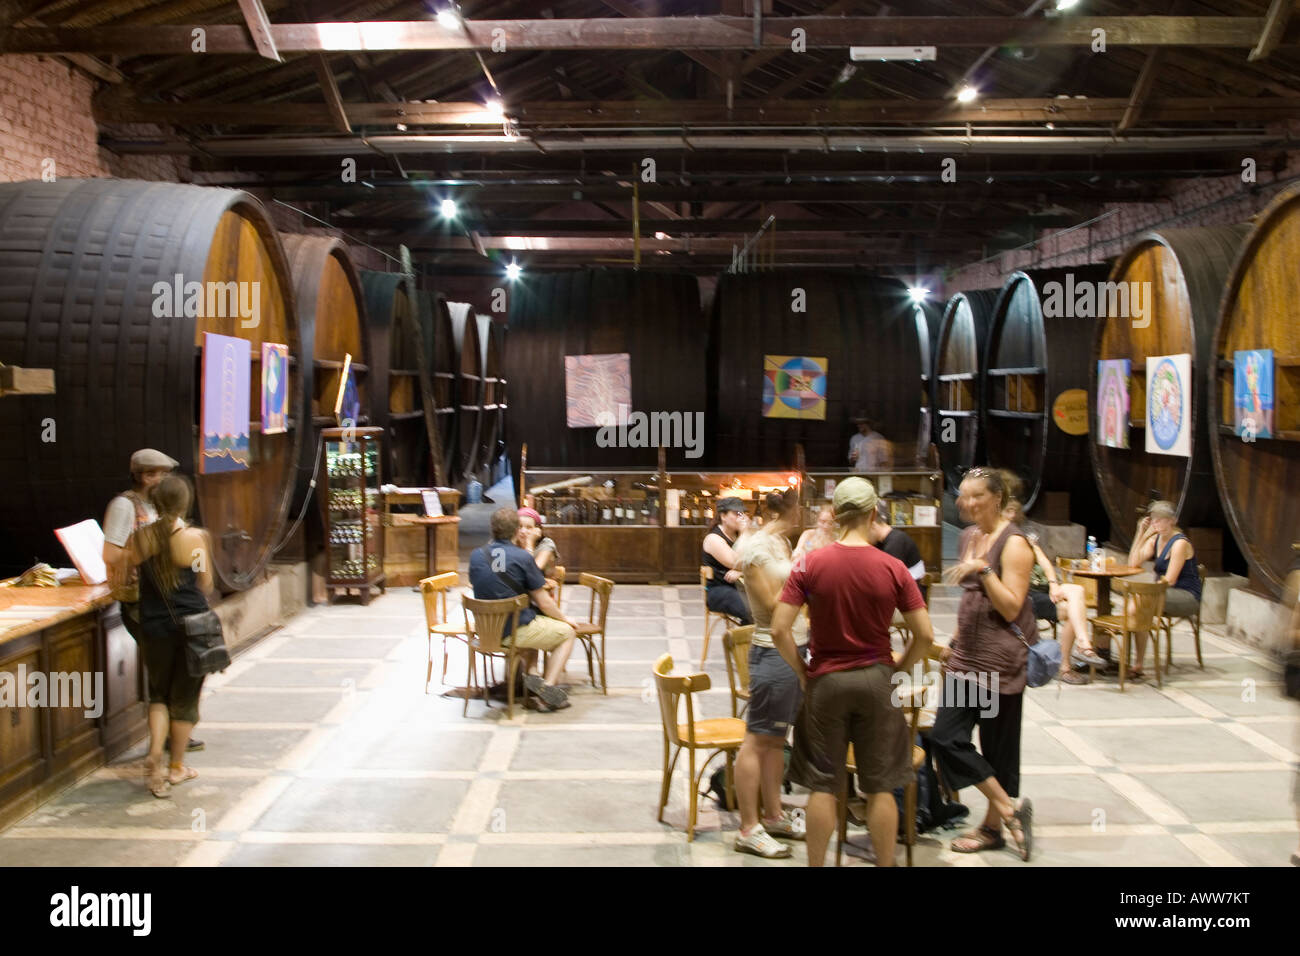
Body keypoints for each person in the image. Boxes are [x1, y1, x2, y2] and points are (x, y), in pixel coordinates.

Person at [771, 477, 934, 867]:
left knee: (823, 786)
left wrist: (801, 669)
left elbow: (779, 628)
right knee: (879, 785)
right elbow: (925, 634)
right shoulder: (893, 566)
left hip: (826, 681)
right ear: (873, 513)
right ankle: (885, 863)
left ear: (836, 515)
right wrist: (897, 668)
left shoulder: (810, 564)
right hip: (877, 679)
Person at [931, 466, 1035, 860]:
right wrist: (955, 642)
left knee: (998, 748)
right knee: (945, 736)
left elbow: (1011, 606)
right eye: (963, 495)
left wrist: (984, 569)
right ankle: (1009, 809)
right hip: (967, 659)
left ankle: (992, 828)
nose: (968, 503)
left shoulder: (1014, 544)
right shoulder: (969, 536)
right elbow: (971, 602)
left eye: (977, 496)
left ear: (997, 499)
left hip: (1001, 662)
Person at [103, 449, 206, 755]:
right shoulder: (125, 506)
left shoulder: (156, 506)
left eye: (165, 475)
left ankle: (173, 737)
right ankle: (169, 746)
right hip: (142, 600)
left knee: (173, 675)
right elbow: (110, 554)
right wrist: (150, 555)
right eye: (155, 474)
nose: (161, 480)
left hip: (166, 601)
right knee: (165, 677)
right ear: (142, 476)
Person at [126, 475, 214, 798]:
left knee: (159, 695)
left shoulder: (141, 539)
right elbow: (205, 582)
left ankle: (154, 758)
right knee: (185, 700)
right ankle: (176, 768)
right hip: (192, 628)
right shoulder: (194, 539)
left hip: (154, 626)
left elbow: (125, 570)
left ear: (155, 502)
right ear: (185, 503)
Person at [732, 492, 808, 858]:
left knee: (777, 739)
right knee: (756, 740)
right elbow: (773, 605)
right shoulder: (756, 548)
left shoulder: (780, 541)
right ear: (785, 510)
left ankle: (774, 813)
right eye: (799, 507)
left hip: (794, 644)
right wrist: (811, 585)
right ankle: (748, 828)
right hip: (771, 649)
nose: (803, 514)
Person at [468, 508, 577, 710]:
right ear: (516, 530)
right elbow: (544, 602)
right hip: (512, 632)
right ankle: (547, 692)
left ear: (492, 529)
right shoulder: (522, 557)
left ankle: (531, 679)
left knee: (534, 624)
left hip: (484, 632)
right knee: (567, 633)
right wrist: (564, 619)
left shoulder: (476, 555)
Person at [1004, 498, 1104, 684]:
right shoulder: (1003, 542)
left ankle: (1083, 644)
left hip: (1044, 590)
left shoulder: (1026, 540)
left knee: (1076, 593)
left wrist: (1053, 584)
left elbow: (1045, 564)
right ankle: (1066, 665)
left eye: (1013, 511)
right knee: (1076, 613)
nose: (1011, 515)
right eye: (1007, 511)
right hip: (1027, 595)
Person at [1123, 500, 1201, 682]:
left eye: (1160, 520)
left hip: (1184, 595)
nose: (1155, 523)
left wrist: (1148, 591)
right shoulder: (1156, 539)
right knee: (1137, 609)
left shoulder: (1179, 543)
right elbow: (1133, 562)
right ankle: (1136, 664)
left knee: (1137, 606)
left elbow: (1170, 579)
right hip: (1162, 592)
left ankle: (1134, 662)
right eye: (1154, 520)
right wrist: (1141, 533)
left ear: (1171, 521)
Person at [702, 497, 752, 625]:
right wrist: (745, 533)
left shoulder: (738, 536)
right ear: (723, 516)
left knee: (768, 605)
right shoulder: (713, 539)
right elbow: (736, 562)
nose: (742, 518)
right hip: (720, 590)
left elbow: (760, 558)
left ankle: (750, 642)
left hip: (742, 586)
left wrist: (741, 573)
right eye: (737, 514)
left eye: (743, 514)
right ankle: (746, 643)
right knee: (753, 610)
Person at [870, 501, 925, 582]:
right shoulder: (882, 541)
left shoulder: (896, 542)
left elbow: (888, 580)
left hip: (911, 590)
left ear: (873, 524)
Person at [515, 507, 559, 576]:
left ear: (537, 529)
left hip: (541, 585)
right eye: (519, 527)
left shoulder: (546, 544)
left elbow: (532, 571)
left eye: (529, 527)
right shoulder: (512, 542)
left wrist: (529, 542)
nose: (523, 531)